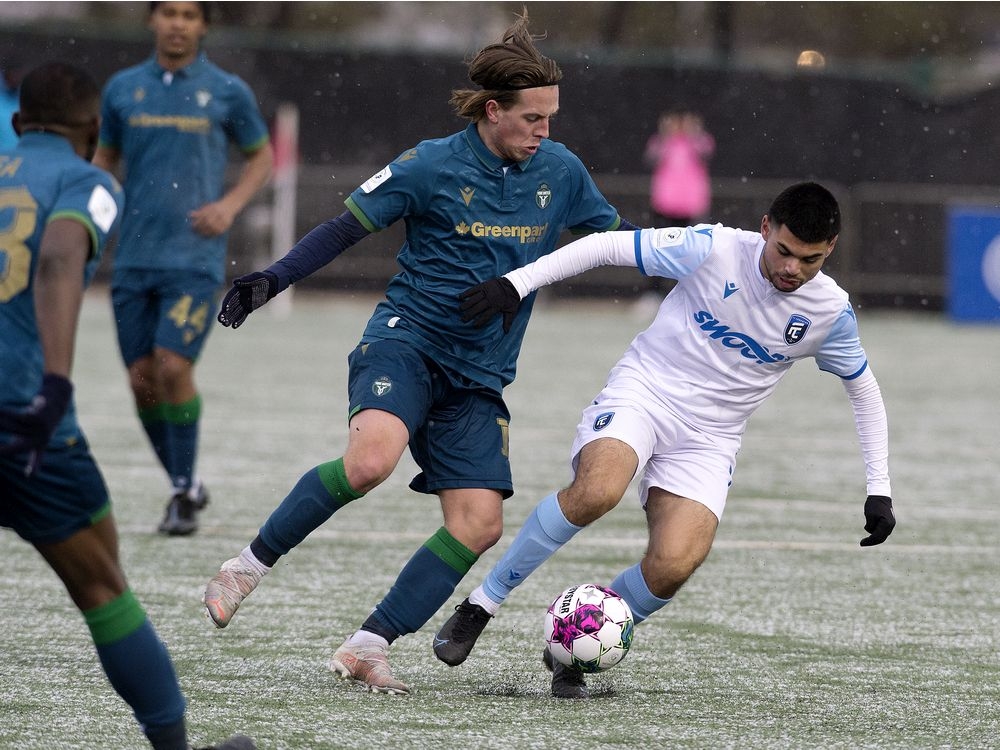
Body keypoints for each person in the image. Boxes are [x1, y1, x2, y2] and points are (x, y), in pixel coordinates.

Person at [201, 10, 638, 695]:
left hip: (480, 377)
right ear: (493, 111)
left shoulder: (561, 171)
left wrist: (709, 269)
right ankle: (244, 568)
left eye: (551, 118)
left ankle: (369, 644)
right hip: (405, 343)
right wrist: (271, 279)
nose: (545, 132)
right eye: (533, 118)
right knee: (370, 461)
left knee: (479, 525)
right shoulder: (430, 163)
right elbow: (343, 229)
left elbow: (623, 242)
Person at [433, 181, 896, 698]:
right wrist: (515, 284)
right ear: (765, 228)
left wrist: (879, 490)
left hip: (711, 439)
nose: (793, 269)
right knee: (597, 491)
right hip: (644, 394)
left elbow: (864, 390)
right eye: (784, 251)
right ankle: (482, 603)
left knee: (675, 564)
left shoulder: (830, 312)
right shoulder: (712, 248)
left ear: (830, 248)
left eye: (810, 260)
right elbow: (603, 246)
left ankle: (576, 646)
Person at [0, 61, 254, 750]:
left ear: (18, 123)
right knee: (104, 588)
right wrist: (55, 384)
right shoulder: (89, 182)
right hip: (27, 421)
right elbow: (58, 255)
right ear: (92, 131)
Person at [92, 1, 273, 536]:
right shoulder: (122, 88)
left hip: (193, 261)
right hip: (132, 259)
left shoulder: (226, 90)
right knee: (141, 380)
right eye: (168, 12)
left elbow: (262, 157)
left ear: (204, 26)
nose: (178, 23)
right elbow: (104, 158)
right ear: (152, 20)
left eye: (190, 15)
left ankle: (180, 490)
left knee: (172, 366)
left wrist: (229, 206)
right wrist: (94, 205)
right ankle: (185, 484)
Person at [0, 60, 25, 150]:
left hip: (21, 153)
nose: (15, 78)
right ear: (6, 76)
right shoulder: (1, 101)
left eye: (18, 75)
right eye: (12, 75)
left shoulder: (24, 100)